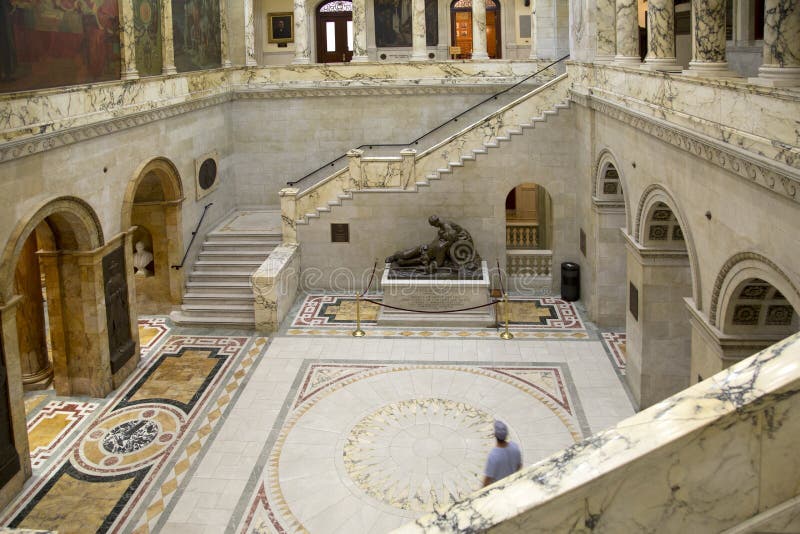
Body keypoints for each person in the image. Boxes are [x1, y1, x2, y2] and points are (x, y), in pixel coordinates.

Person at [483, 420, 522, 487]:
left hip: (499, 487)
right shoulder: (515, 447)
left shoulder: (493, 456)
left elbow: (488, 478)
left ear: (495, 435)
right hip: (512, 484)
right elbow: (519, 466)